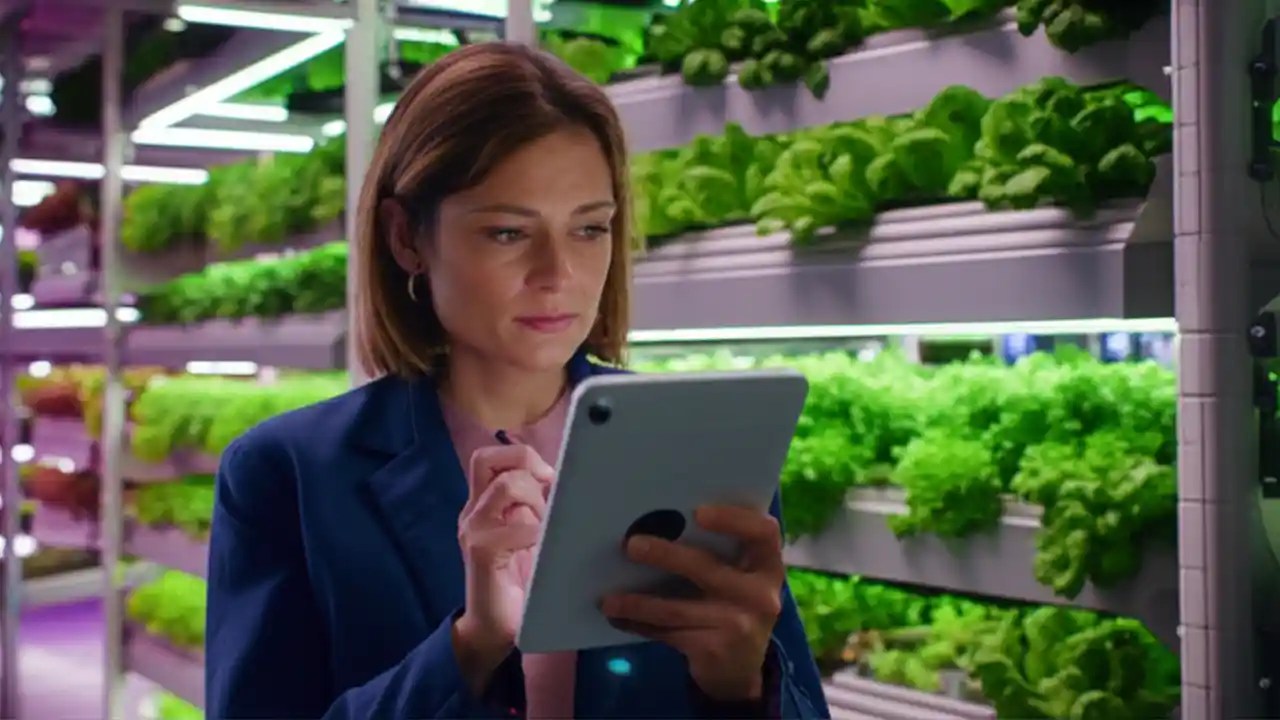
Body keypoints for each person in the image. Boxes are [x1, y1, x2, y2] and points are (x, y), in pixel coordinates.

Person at [204, 41, 830, 719]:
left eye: (590, 229)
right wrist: (470, 647)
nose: (558, 273)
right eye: (507, 232)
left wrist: (742, 685)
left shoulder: (699, 449)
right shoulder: (288, 473)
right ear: (406, 237)